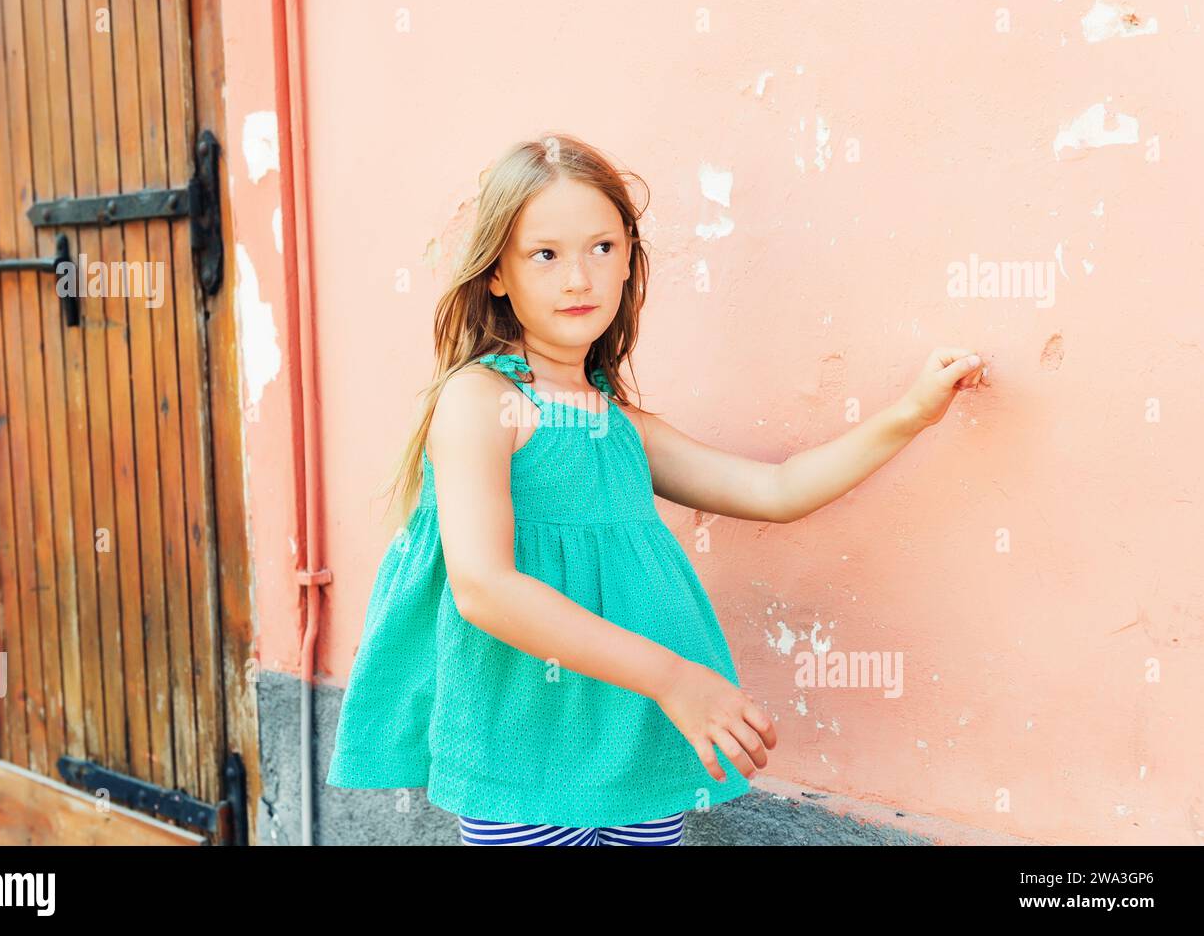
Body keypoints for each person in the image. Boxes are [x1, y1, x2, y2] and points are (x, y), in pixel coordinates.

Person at [326, 134, 988, 846]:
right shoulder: (481, 400)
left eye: (602, 248)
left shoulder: (619, 424)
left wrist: (911, 413)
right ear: (496, 274)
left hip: (630, 752)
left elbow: (777, 489)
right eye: (545, 254)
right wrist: (677, 680)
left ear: (628, 259)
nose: (579, 278)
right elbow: (484, 585)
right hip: (523, 758)